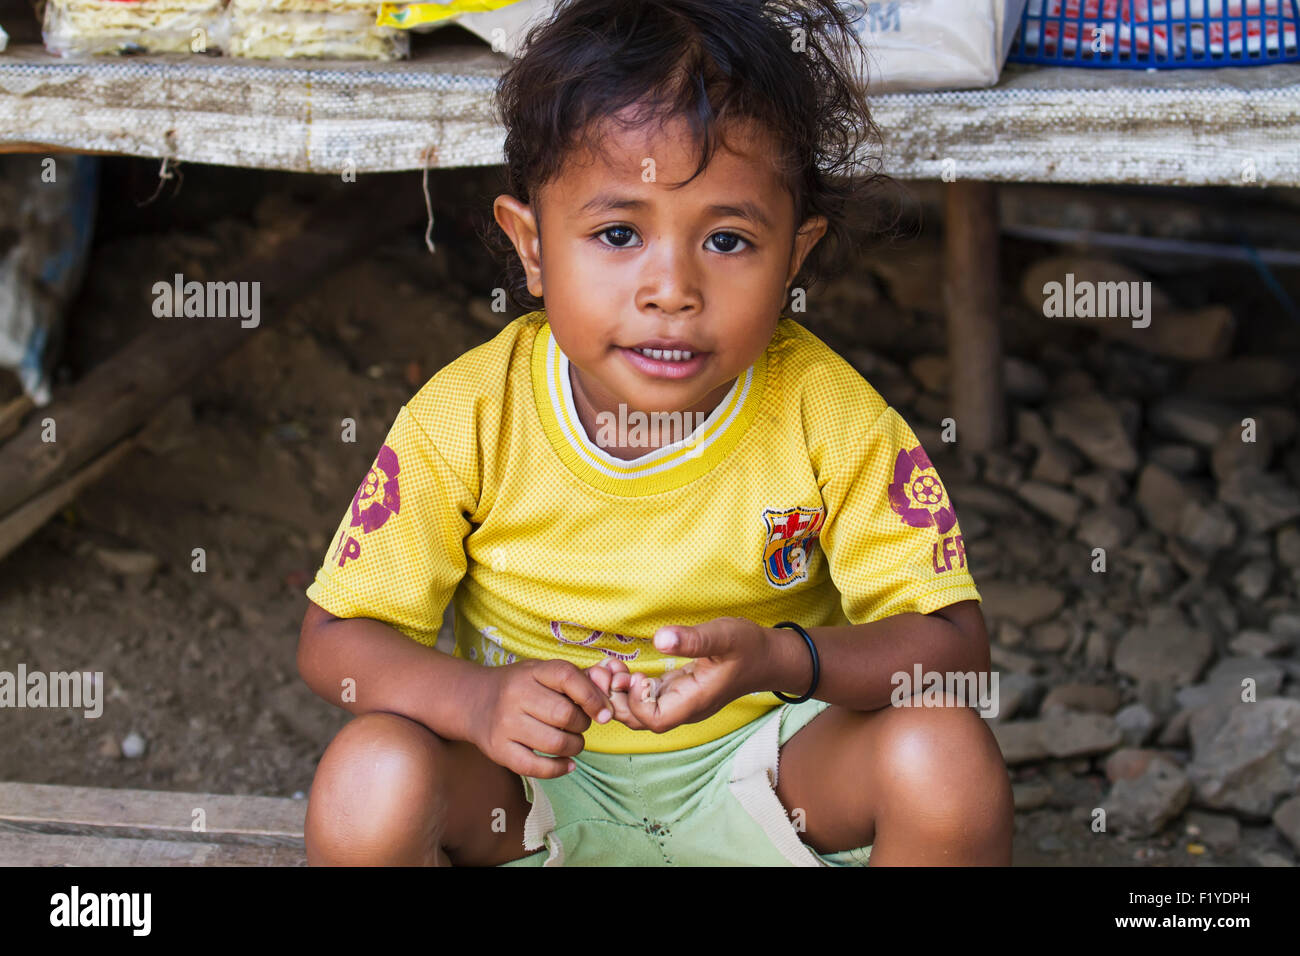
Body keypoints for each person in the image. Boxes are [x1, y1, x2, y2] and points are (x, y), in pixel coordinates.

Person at [297, 0, 1012, 866]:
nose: (670, 287)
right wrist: (476, 703)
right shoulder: (469, 416)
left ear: (794, 253)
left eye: (726, 239)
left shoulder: (831, 414)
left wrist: (780, 660)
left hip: (771, 786)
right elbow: (335, 641)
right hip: (532, 800)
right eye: (618, 233)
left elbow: (951, 651)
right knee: (370, 772)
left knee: (945, 756)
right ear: (531, 247)